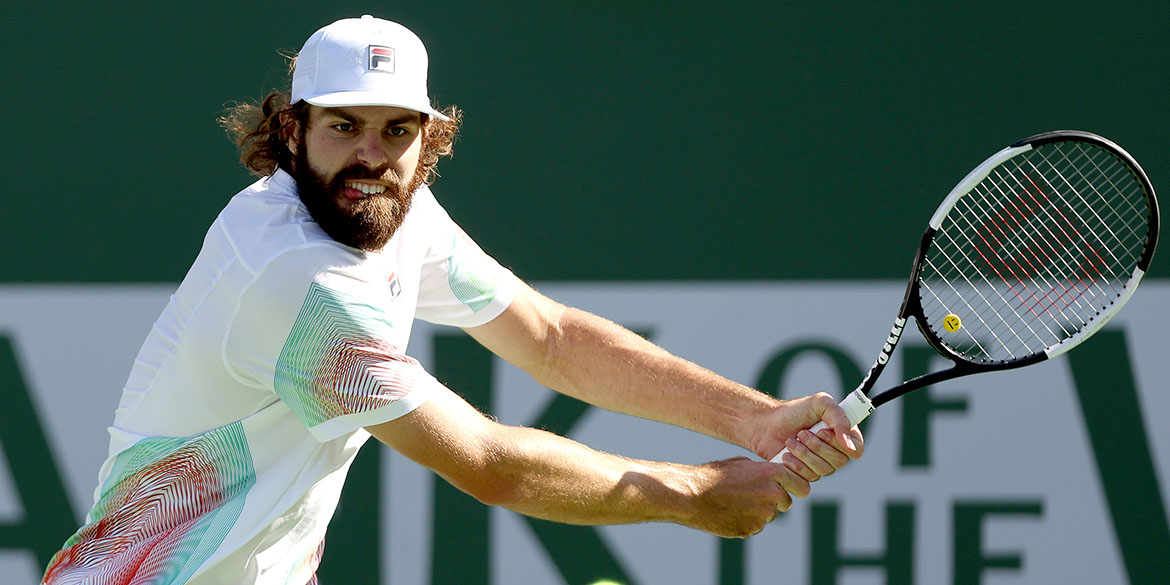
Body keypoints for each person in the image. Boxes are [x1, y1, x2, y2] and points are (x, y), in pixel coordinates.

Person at [41, 15, 863, 585]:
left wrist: (753, 419)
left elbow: (549, 338)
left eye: (397, 130)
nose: (372, 153)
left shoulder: (390, 206)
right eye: (344, 126)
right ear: (291, 132)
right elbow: (490, 465)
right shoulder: (298, 281)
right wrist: (696, 496)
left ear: (429, 140)